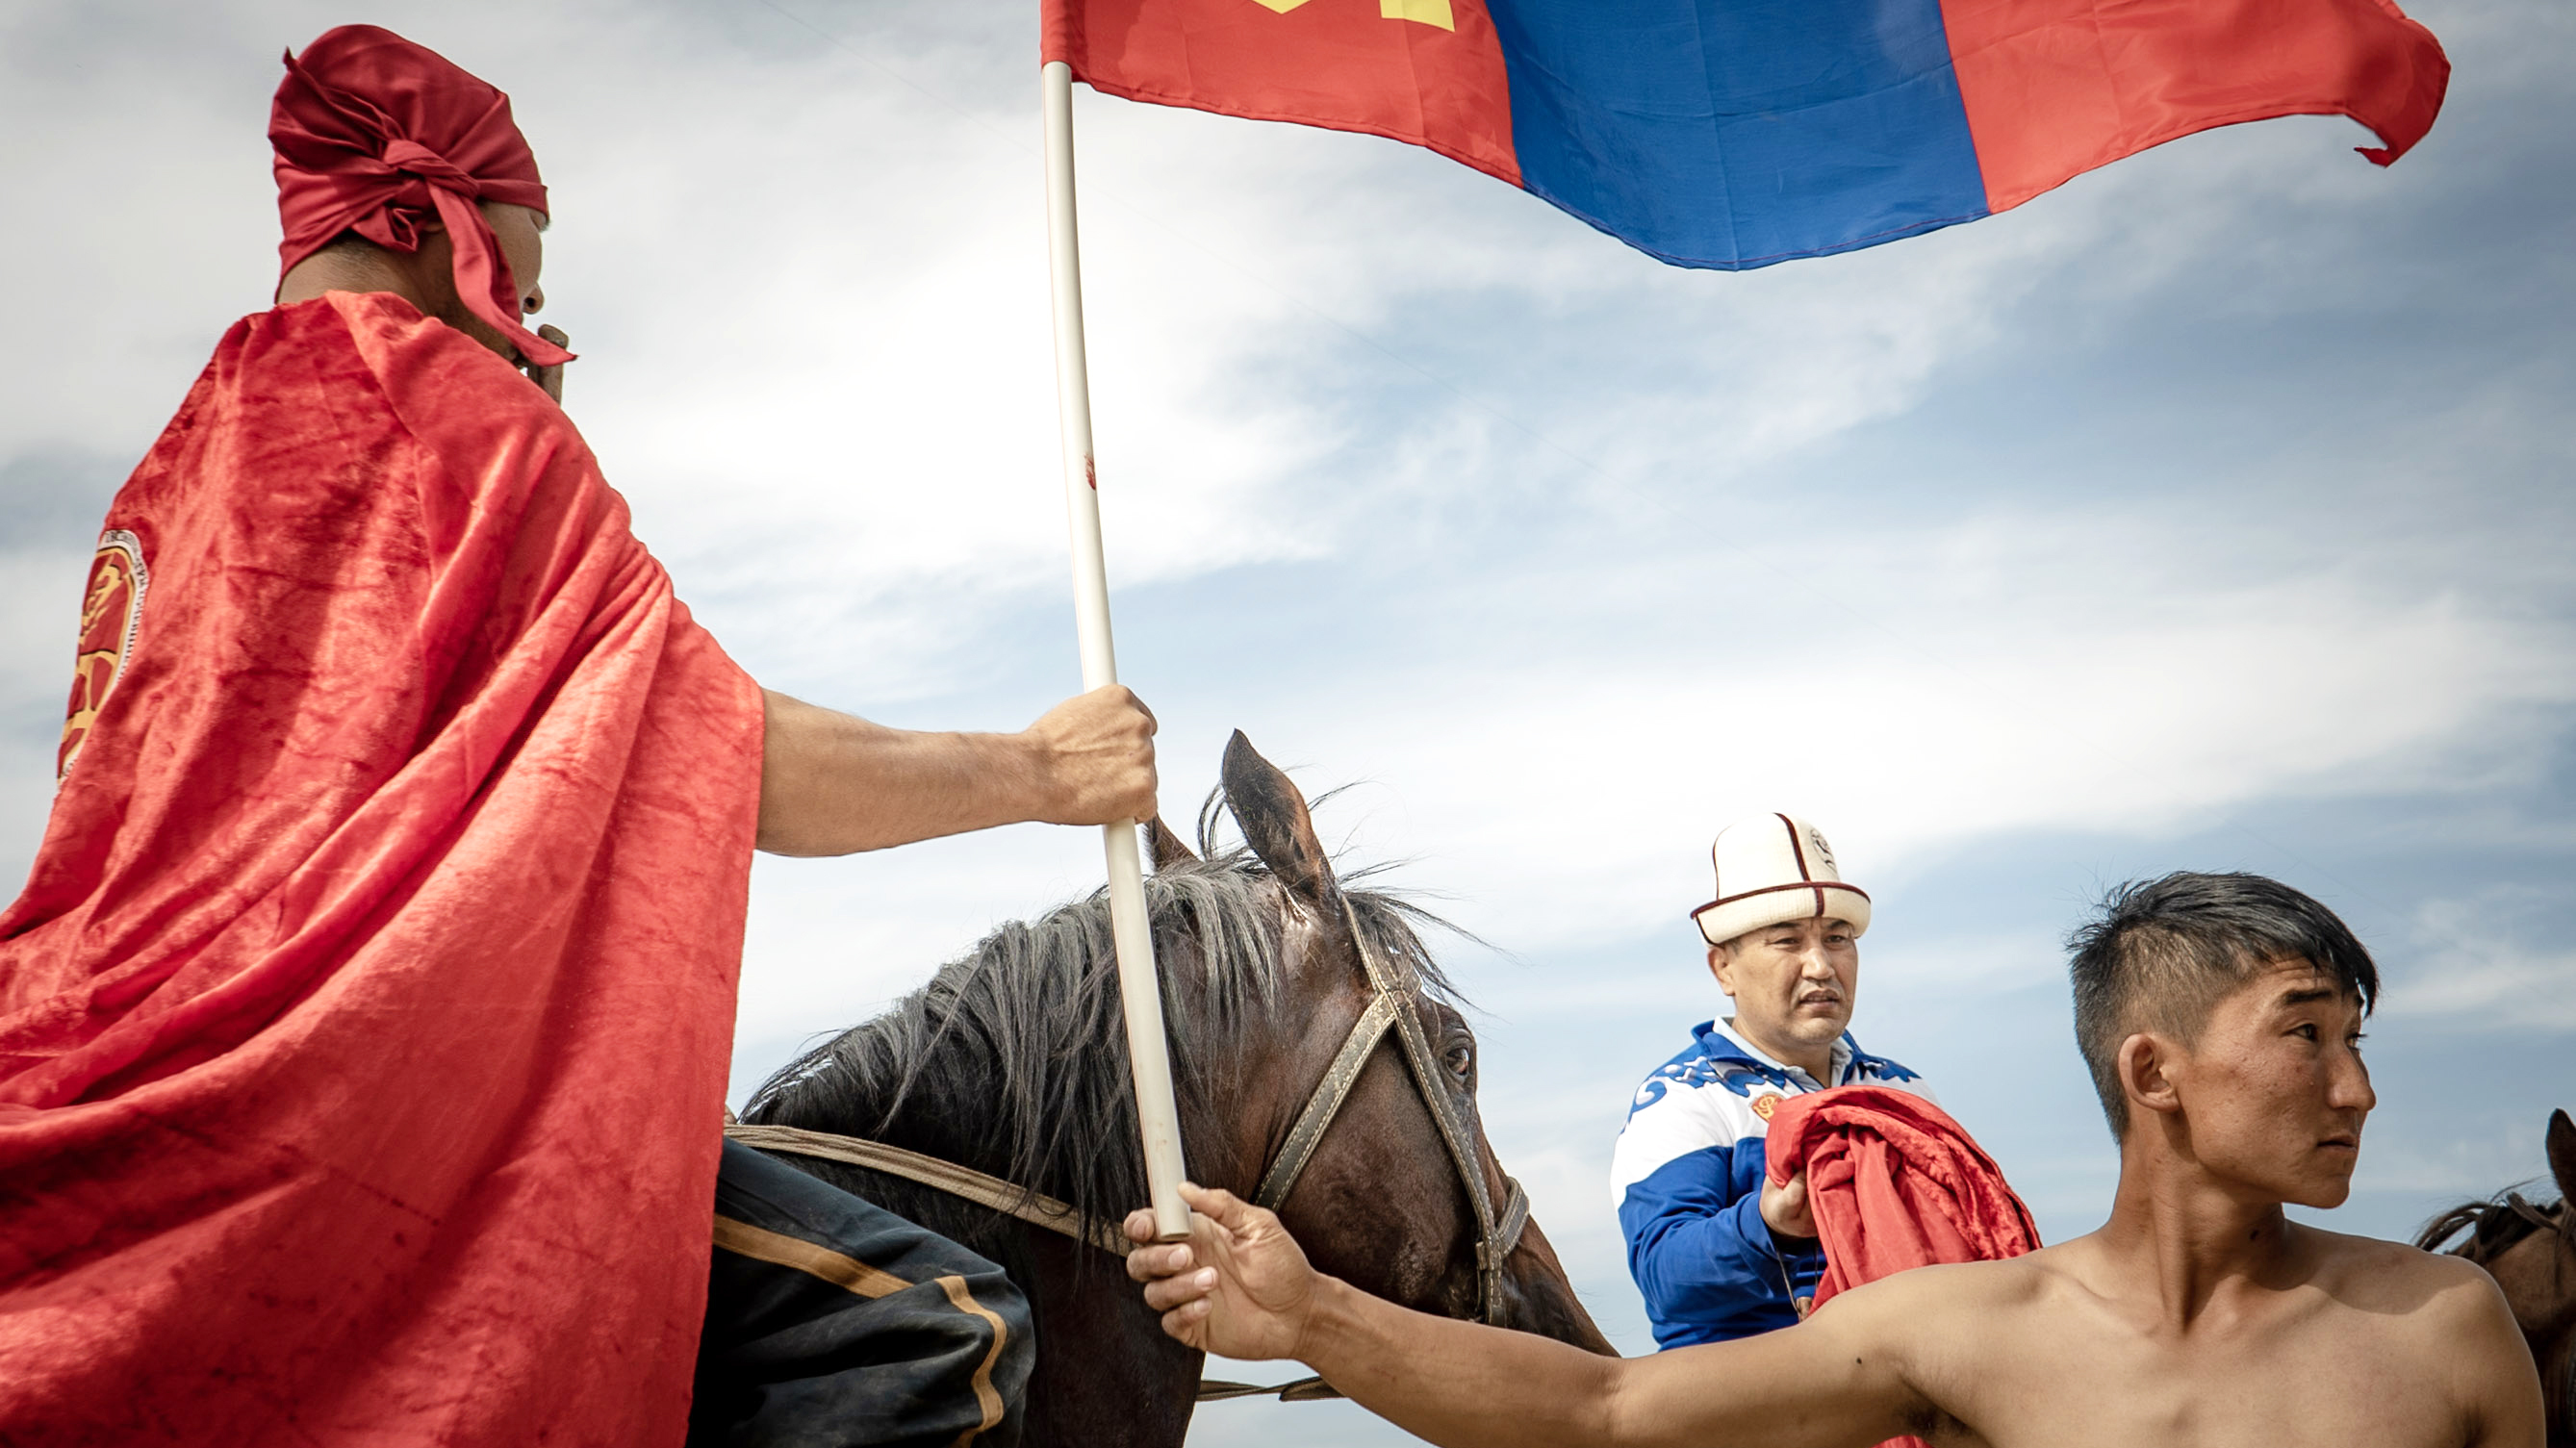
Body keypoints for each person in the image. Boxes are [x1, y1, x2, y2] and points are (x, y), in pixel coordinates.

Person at [0, 26, 1145, 1447]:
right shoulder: (447, 412)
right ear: (430, 228)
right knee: (931, 1325)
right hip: (335, 1088)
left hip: (77, 1063)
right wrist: (1042, 771)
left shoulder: (178, 462)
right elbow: (734, 756)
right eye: (521, 282)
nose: (530, 323)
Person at [1123, 872, 2549, 1447]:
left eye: (2355, 1037)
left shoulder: (2445, 1329)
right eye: (2305, 1035)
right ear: (2151, 1071)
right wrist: (1307, 1315)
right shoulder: (1966, 1323)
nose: (2355, 1086)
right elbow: (1607, 1402)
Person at [1610, 813, 1932, 1346]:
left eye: (1837, 938)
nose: (1821, 966)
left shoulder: (1905, 1092)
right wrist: (1769, 1225)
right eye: (1787, 941)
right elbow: (1665, 1277)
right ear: (1723, 969)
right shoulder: (1680, 1099)